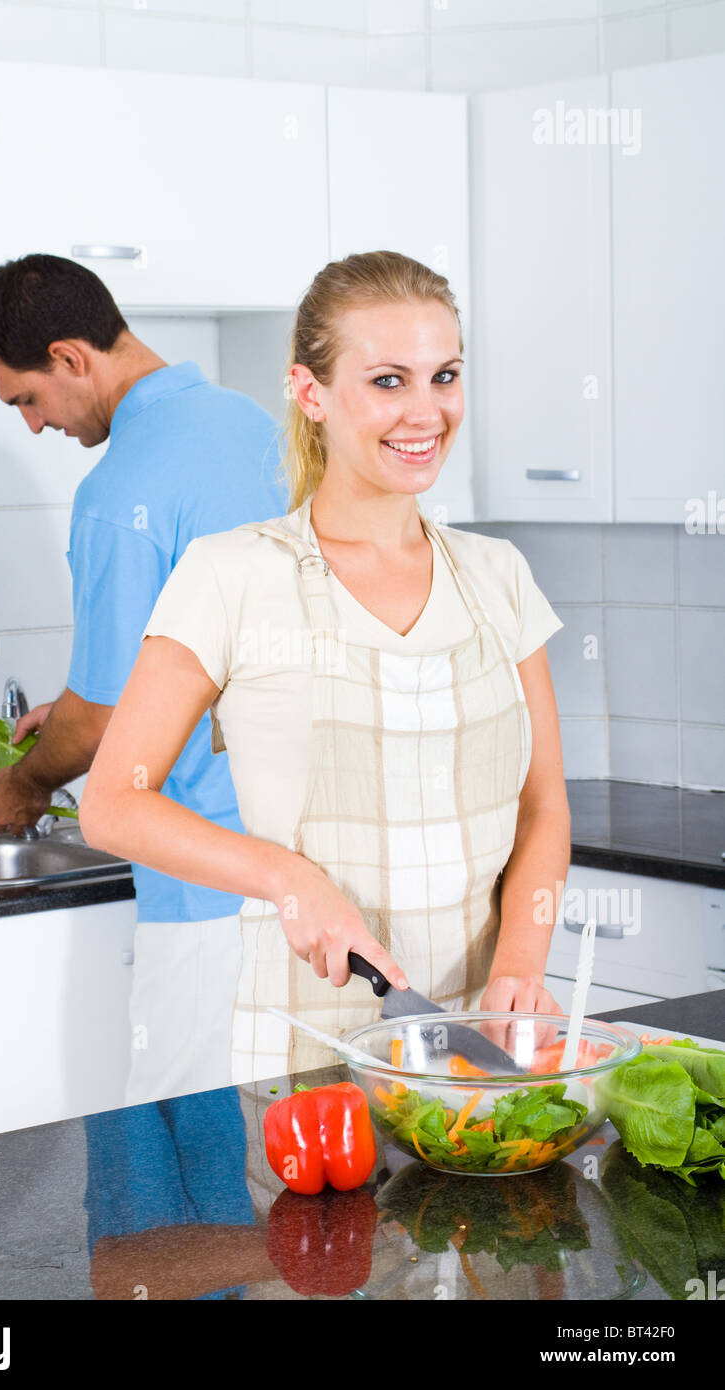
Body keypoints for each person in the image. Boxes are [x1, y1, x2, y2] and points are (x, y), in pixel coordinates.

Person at [79, 249, 570, 1087]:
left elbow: (544, 806)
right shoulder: (232, 575)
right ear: (311, 394)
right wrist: (288, 878)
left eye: (443, 376)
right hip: (311, 1063)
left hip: (483, 1054)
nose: (426, 412)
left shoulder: (499, 579)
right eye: (388, 381)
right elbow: (112, 804)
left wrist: (521, 961)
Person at [0, 253, 287, 1098]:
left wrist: (28, 783)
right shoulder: (261, 429)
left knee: (175, 1182)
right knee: (293, 1182)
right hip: (310, 884)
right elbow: (169, 665)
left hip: (204, 889)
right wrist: (66, 710)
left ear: (70, 357)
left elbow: (105, 721)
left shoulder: (118, 490)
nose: (33, 426)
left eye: (25, 399)